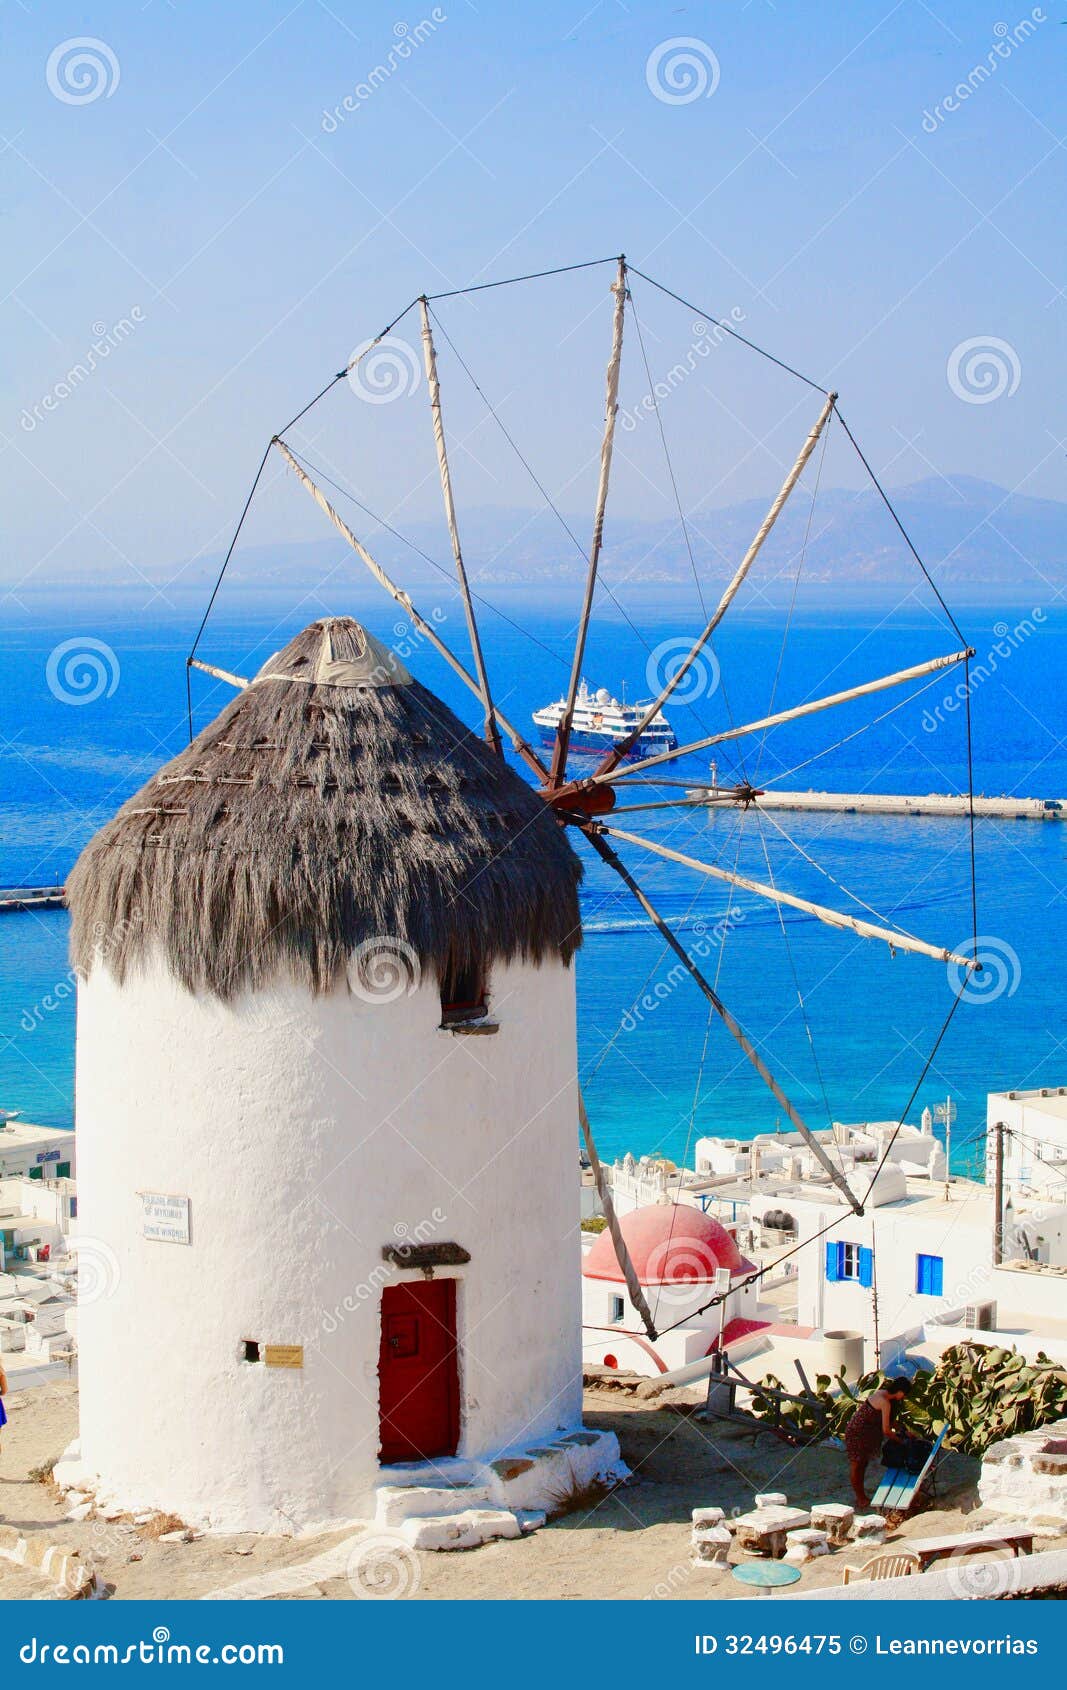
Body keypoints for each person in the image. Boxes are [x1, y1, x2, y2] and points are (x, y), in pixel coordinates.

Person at [843, 1375, 909, 1508]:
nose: (904, 1397)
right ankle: (860, 1498)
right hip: (857, 1433)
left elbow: (889, 1421)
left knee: (863, 1464)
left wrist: (905, 1431)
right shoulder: (884, 1402)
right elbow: (886, 1430)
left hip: (865, 1434)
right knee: (857, 1465)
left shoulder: (883, 1395)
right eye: (905, 1394)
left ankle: (861, 1496)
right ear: (900, 1391)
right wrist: (900, 1441)